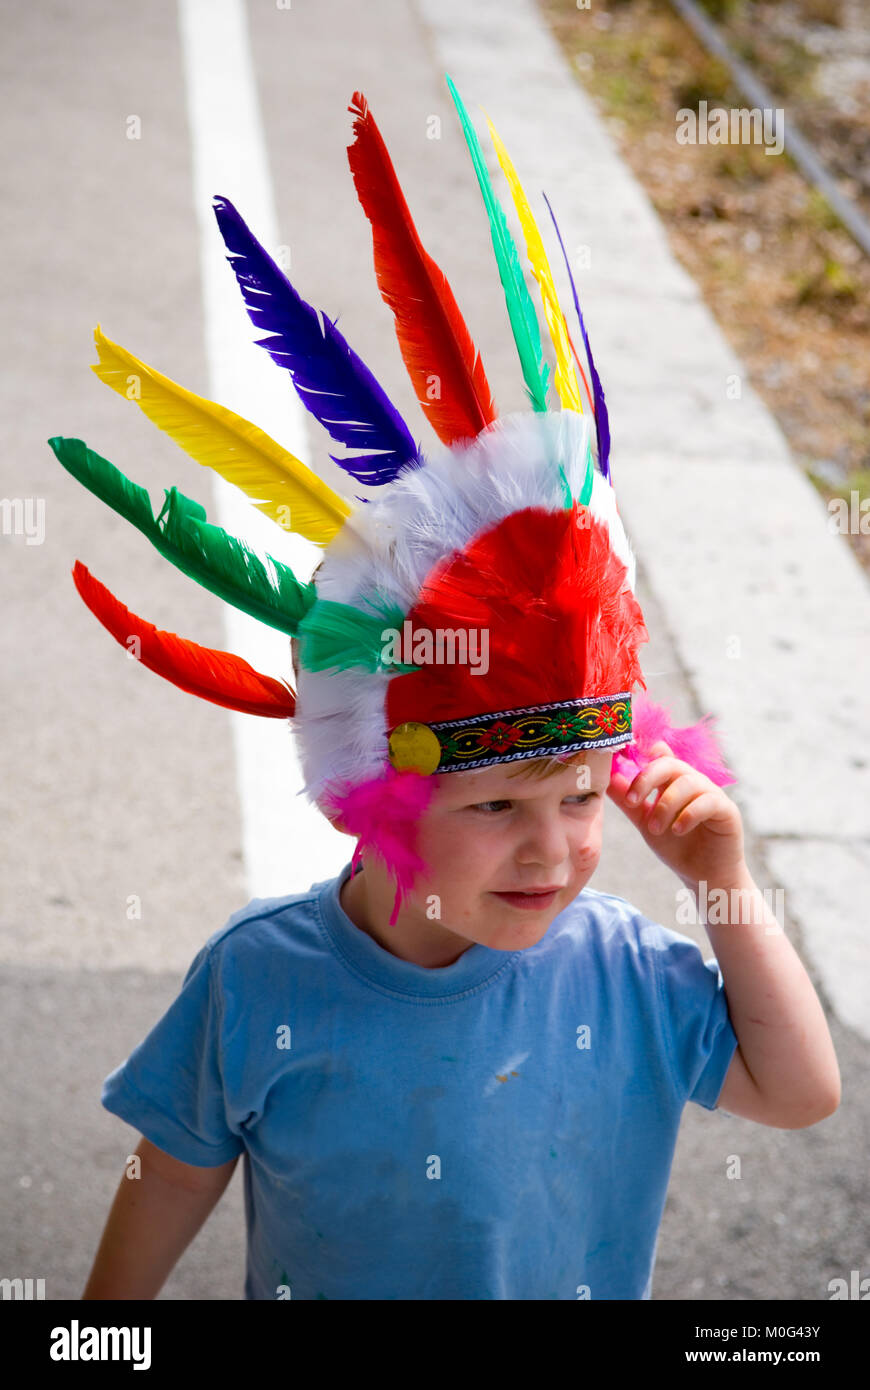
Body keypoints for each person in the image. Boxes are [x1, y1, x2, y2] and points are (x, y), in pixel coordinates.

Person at [53, 81, 839, 1301]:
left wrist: (722, 882)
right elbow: (166, 1188)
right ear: (376, 795)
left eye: (582, 798)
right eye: (495, 808)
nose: (556, 851)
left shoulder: (627, 973)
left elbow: (801, 1093)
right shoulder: (259, 977)